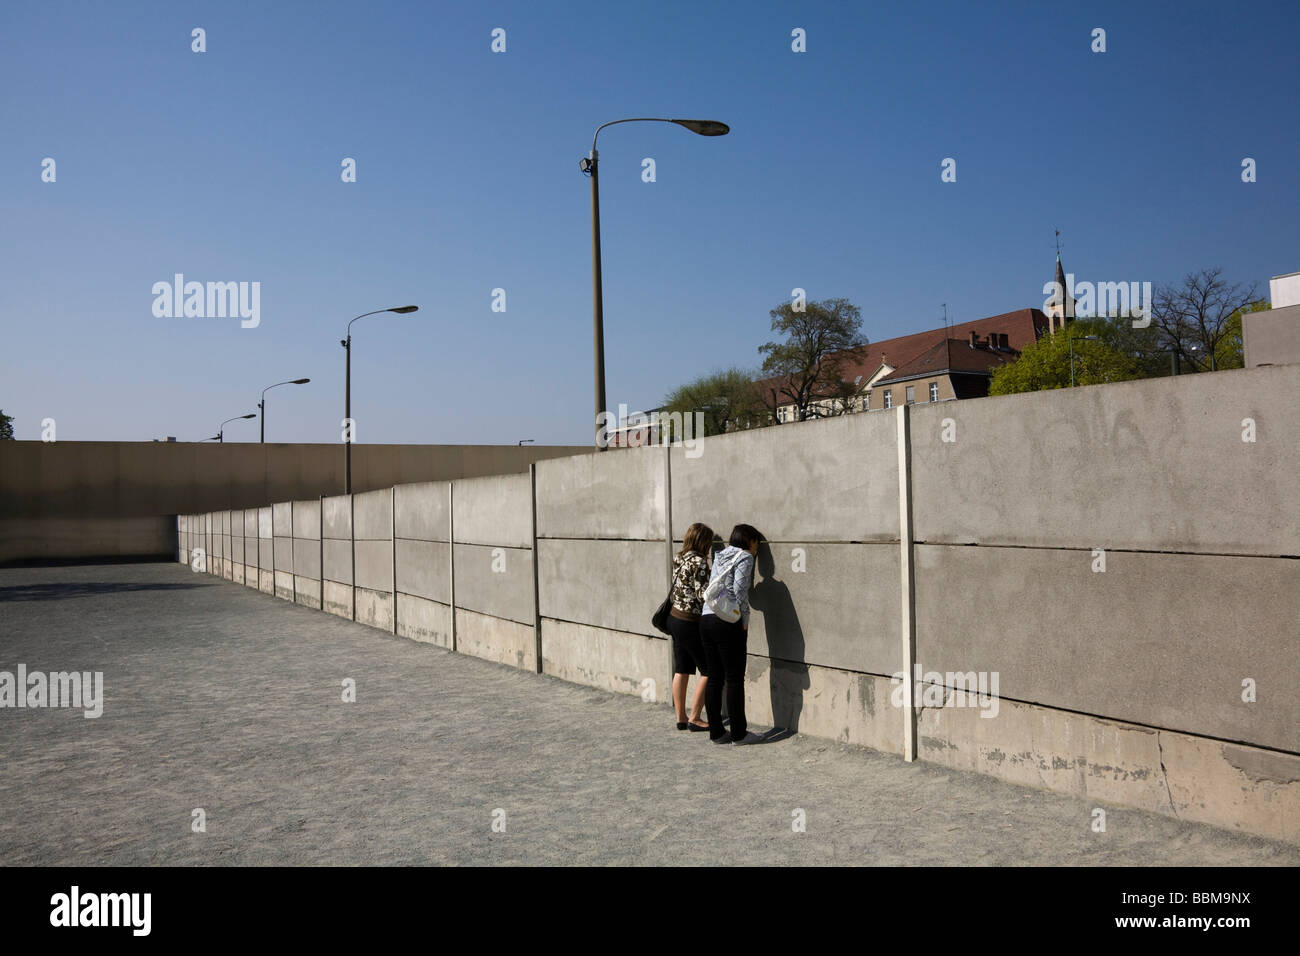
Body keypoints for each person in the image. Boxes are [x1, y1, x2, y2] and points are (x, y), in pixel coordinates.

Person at [700, 524, 762, 745]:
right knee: (734, 679)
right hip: (727, 621)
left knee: (715, 677)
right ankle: (739, 734)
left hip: (706, 617)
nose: (757, 547)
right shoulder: (745, 556)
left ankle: (716, 732)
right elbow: (739, 590)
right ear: (750, 540)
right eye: (756, 542)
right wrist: (744, 620)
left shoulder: (720, 554)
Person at [668, 522, 714, 732]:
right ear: (703, 541)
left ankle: (681, 717)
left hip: (674, 618)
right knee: (709, 669)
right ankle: (695, 717)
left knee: (682, 669)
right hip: (689, 621)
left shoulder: (679, 558)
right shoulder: (699, 562)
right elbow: (702, 595)